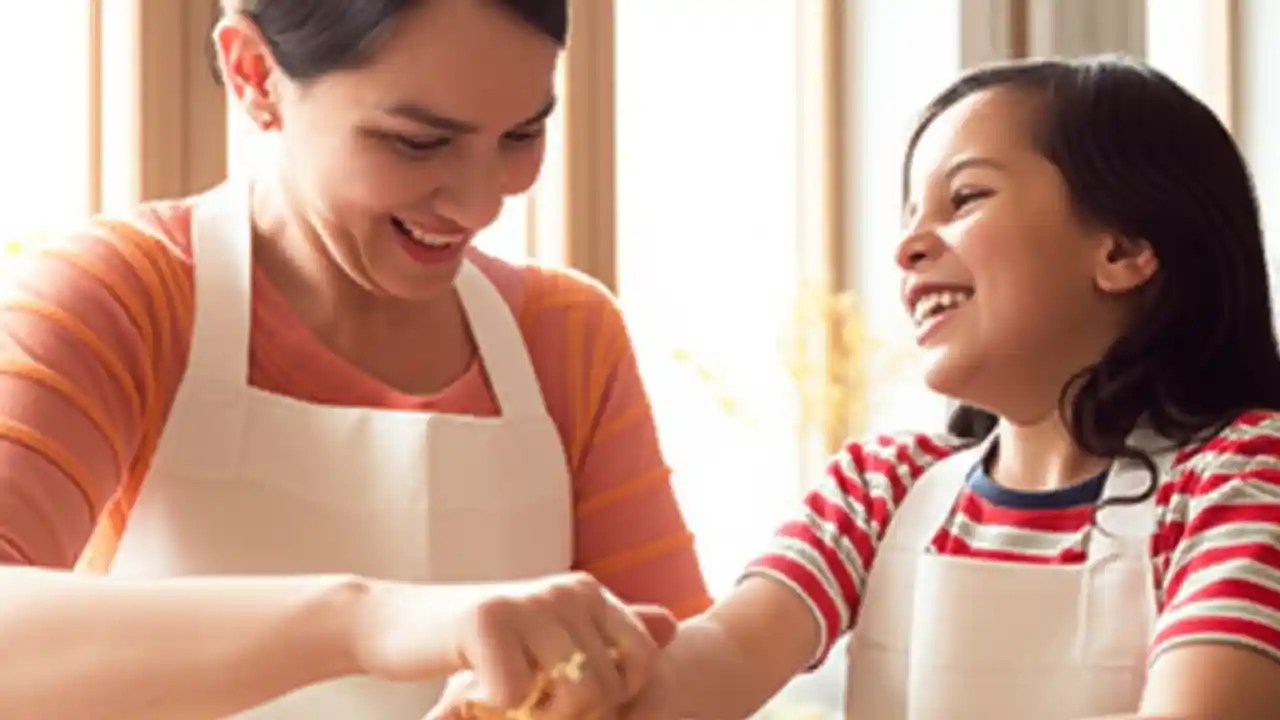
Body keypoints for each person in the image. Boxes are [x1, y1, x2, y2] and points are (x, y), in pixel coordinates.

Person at [432, 56, 1280, 720]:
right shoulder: (880, 488)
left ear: (1125, 250)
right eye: (910, 214)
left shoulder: (1242, 477)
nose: (910, 245)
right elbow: (719, 661)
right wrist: (567, 691)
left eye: (966, 197)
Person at [0, 0, 711, 717]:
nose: (479, 204)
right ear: (255, 76)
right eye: (417, 142)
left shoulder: (568, 337)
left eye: (522, 135)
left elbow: (680, 684)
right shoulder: (126, 297)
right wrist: (369, 623)